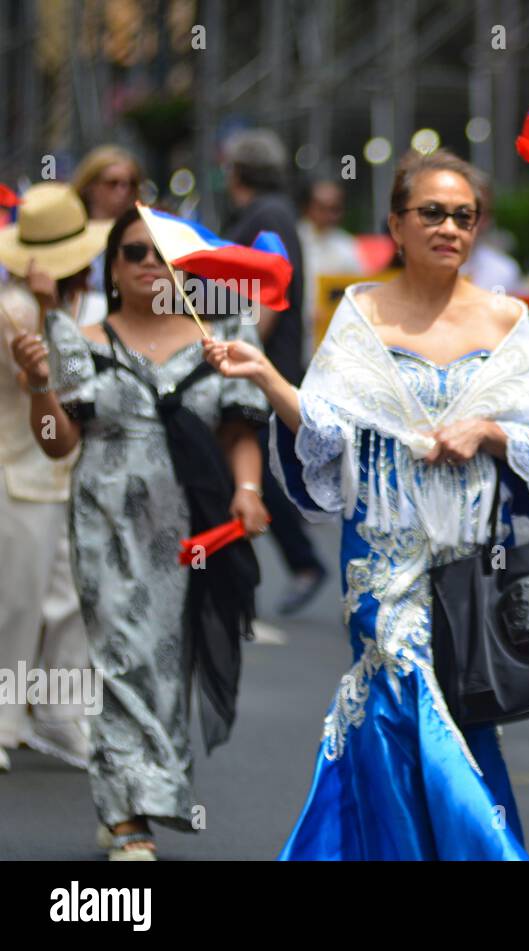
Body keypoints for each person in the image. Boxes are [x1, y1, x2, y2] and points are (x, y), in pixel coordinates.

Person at [205, 148, 529, 860]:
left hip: (471, 562)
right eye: (431, 212)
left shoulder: (504, 319)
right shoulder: (361, 312)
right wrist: (271, 378)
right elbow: (327, 431)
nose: (450, 227)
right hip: (382, 555)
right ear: (396, 225)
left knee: (455, 717)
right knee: (400, 689)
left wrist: (489, 431)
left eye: (464, 216)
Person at [13, 207, 270, 860]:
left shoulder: (221, 337)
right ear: (112, 268)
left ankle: (131, 795)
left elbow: (240, 427)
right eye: (133, 253)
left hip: (192, 522)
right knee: (120, 656)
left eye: (160, 253)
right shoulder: (80, 338)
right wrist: (41, 386)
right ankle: (130, 817)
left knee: (168, 658)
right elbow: (56, 442)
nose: (149, 264)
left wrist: (247, 491)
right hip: (107, 519)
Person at [0, 184, 109, 773]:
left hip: (73, 469)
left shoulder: (79, 307)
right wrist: (45, 308)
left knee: (72, 601)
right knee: (16, 600)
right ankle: (4, 716)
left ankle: (62, 714)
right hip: (17, 467)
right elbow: (38, 378)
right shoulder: (14, 308)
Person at [223, 128, 328, 615]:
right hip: (266, 360)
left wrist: (246, 352)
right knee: (253, 465)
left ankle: (300, 562)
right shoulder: (272, 212)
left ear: (236, 169)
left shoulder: (268, 215)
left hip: (267, 364)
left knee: (253, 464)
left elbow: (268, 291)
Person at [70, 144, 143, 316]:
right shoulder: (68, 233)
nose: (123, 191)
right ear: (89, 187)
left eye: (131, 184)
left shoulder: (144, 235)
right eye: (113, 183)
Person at [297, 178, 362, 359]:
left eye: (334, 208)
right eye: (321, 207)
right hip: (298, 339)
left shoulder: (348, 247)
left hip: (334, 340)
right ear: (307, 207)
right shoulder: (294, 240)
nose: (327, 215)